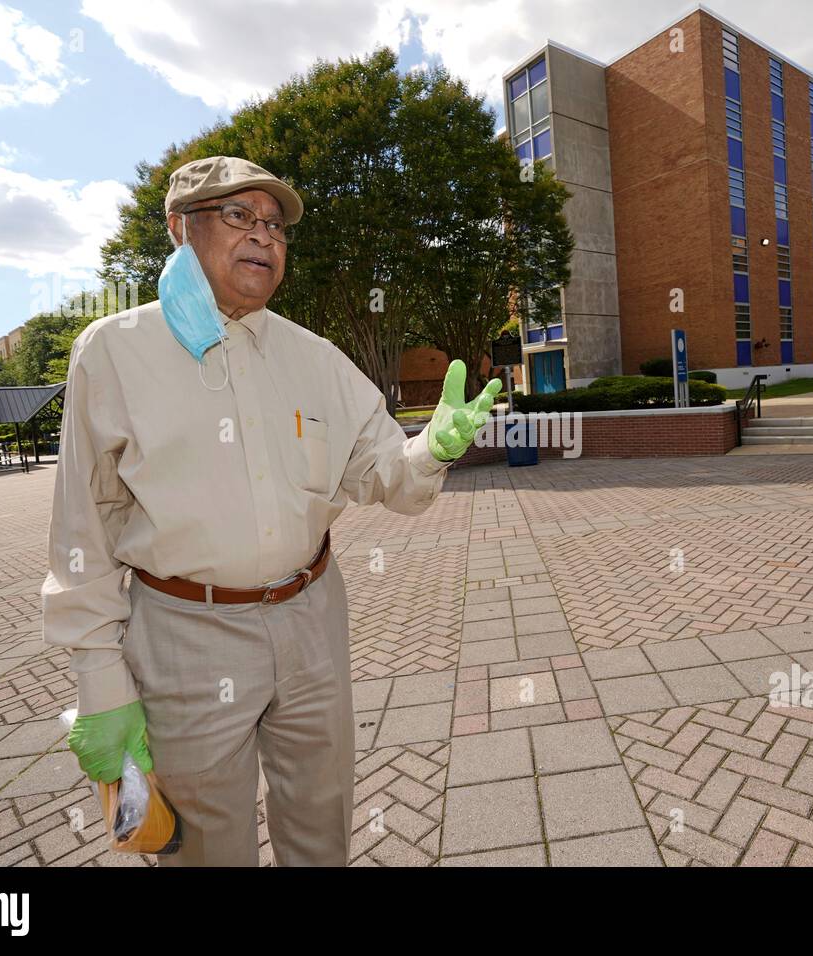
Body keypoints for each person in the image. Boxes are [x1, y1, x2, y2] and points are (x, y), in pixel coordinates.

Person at [42, 156, 499, 866]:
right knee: (204, 846)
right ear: (177, 229)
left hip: (312, 617)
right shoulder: (112, 352)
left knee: (322, 824)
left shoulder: (314, 358)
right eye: (238, 216)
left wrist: (431, 450)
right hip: (182, 633)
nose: (264, 236)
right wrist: (101, 682)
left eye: (275, 225)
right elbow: (83, 531)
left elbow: (387, 475)